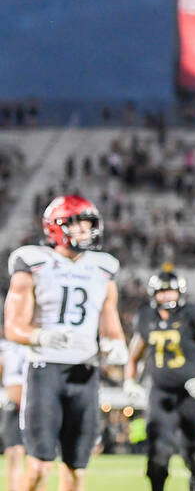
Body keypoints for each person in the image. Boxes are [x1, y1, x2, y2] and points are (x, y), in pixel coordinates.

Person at [4, 195, 129, 491]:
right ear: (57, 228)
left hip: (84, 372)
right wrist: (40, 335)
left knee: (76, 469)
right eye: (77, 226)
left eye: (88, 226)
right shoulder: (33, 261)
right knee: (39, 465)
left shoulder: (103, 267)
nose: (85, 232)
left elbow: (110, 322)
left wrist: (116, 346)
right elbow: (12, 327)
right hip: (46, 369)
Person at [124, 268, 195, 491]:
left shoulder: (193, 314)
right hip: (160, 394)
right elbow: (134, 354)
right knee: (157, 452)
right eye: (162, 292)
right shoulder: (146, 316)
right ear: (153, 294)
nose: (167, 297)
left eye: (171, 292)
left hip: (191, 396)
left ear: (180, 293)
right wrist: (130, 380)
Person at [1, 335, 29, 491]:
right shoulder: (7, 346)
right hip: (11, 403)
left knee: (29, 456)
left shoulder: (29, 345)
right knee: (12, 452)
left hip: (29, 403)